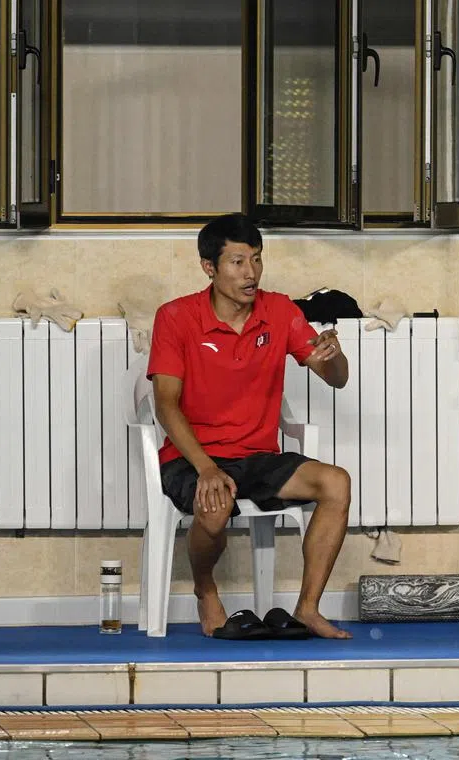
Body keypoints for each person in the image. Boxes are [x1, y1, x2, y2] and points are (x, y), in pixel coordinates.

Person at [147, 213, 353, 639]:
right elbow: (166, 405)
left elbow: (337, 379)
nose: (251, 273)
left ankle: (308, 609)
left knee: (336, 483)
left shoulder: (279, 310)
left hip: (257, 457)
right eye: (238, 262)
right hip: (192, 457)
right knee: (215, 505)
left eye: (256, 260)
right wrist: (206, 467)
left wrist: (332, 357)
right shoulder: (176, 317)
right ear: (210, 267)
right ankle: (206, 591)